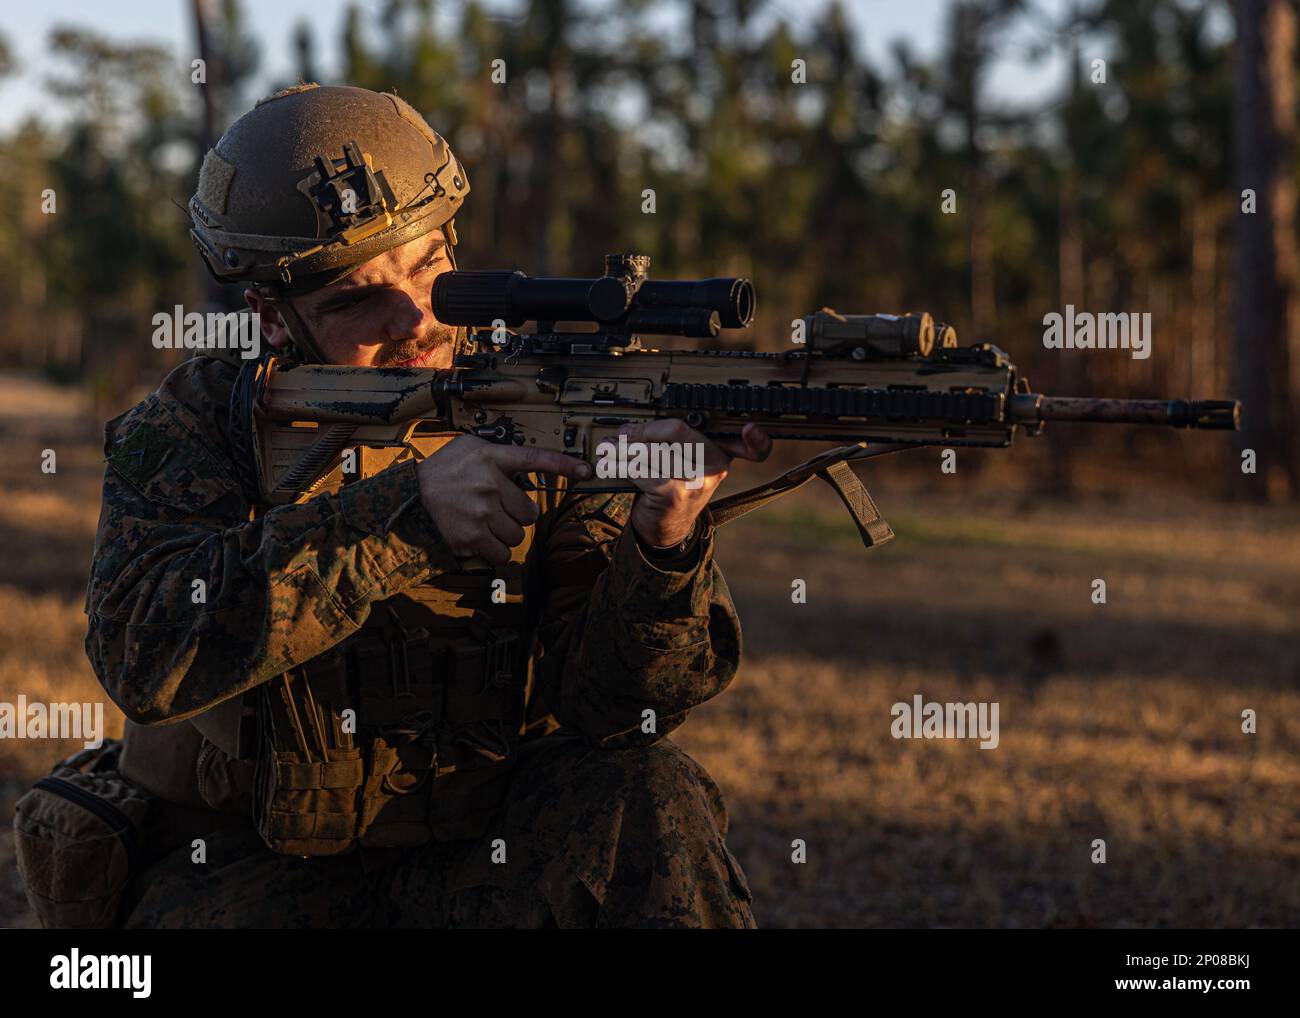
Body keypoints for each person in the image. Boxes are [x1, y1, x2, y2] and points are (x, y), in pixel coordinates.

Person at [83, 83, 770, 928]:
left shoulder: (537, 399)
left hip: (481, 858)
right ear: (269, 316)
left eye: (428, 267)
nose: (413, 319)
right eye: (356, 301)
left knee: (647, 791)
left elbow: (623, 710)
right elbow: (142, 656)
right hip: (254, 869)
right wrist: (403, 516)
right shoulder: (200, 424)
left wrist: (663, 541)